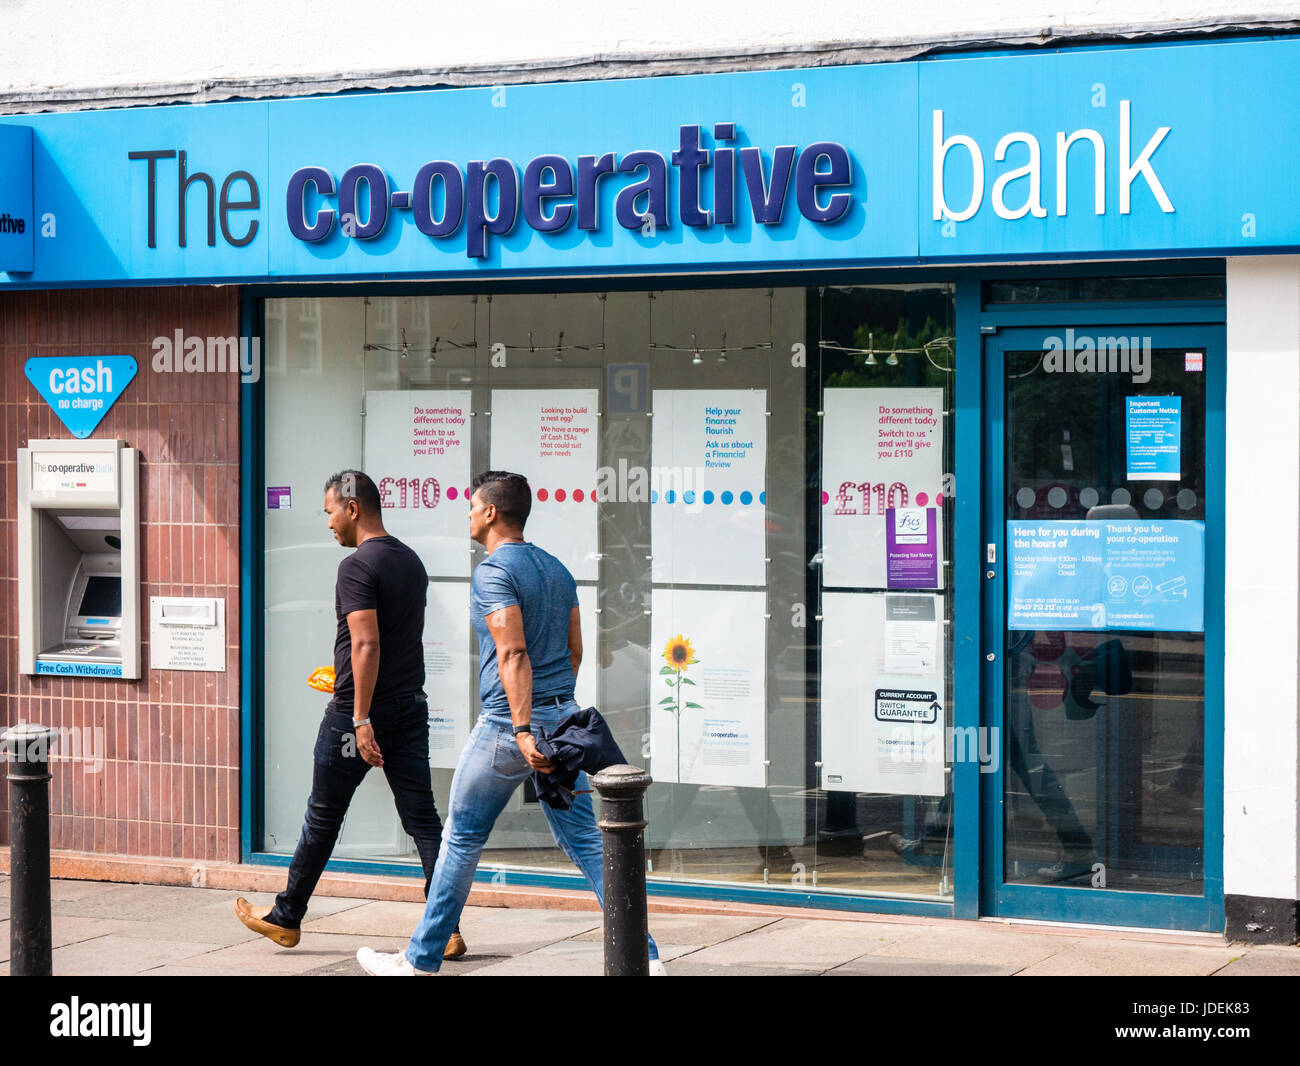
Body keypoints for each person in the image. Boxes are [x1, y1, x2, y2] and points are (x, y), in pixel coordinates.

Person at [356, 470, 662, 975]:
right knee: (589, 843)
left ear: (492, 512)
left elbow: (512, 650)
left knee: (461, 837)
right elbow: (574, 650)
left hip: (507, 726)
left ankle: (420, 961)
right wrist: (553, 709)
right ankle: (646, 959)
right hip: (561, 719)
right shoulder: (557, 570)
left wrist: (523, 727)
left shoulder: (494, 573)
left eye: (472, 505)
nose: (469, 513)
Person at [235, 470, 464, 958]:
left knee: (323, 817)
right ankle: (447, 929)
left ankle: (287, 917)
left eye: (330, 512)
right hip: (410, 708)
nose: (330, 523)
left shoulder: (358, 566)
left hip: (357, 718)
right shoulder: (410, 561)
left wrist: (360, 718)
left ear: (352, 507)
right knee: (423, 819)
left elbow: (367, 642)